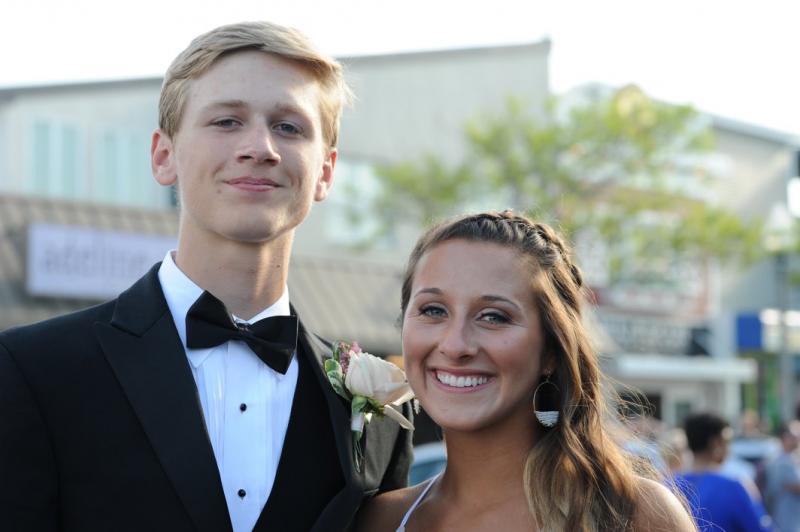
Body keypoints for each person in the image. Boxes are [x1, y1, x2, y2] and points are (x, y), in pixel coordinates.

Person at [0, 21, 412, 532]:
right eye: (226, 122)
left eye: (289, 126)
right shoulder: (31, 369)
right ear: (163, 155)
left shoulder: (376, 415)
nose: (260, 146)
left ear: (325, 172)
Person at [357, 211, 695, 531]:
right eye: (433, 310)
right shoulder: (380, 520)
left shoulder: (633, 514)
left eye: (494, 316)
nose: (455, 345)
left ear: (551, 349)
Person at [675, 413, 772, 532]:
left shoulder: (669, 485)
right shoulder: (733, 486)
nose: (729, 448)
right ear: (715, 443)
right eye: (727, 441)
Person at [765, 421, 800, 532]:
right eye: (796, 435)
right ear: (785, 437)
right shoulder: (782, 462)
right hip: (786, 522)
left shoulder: (790, 459)